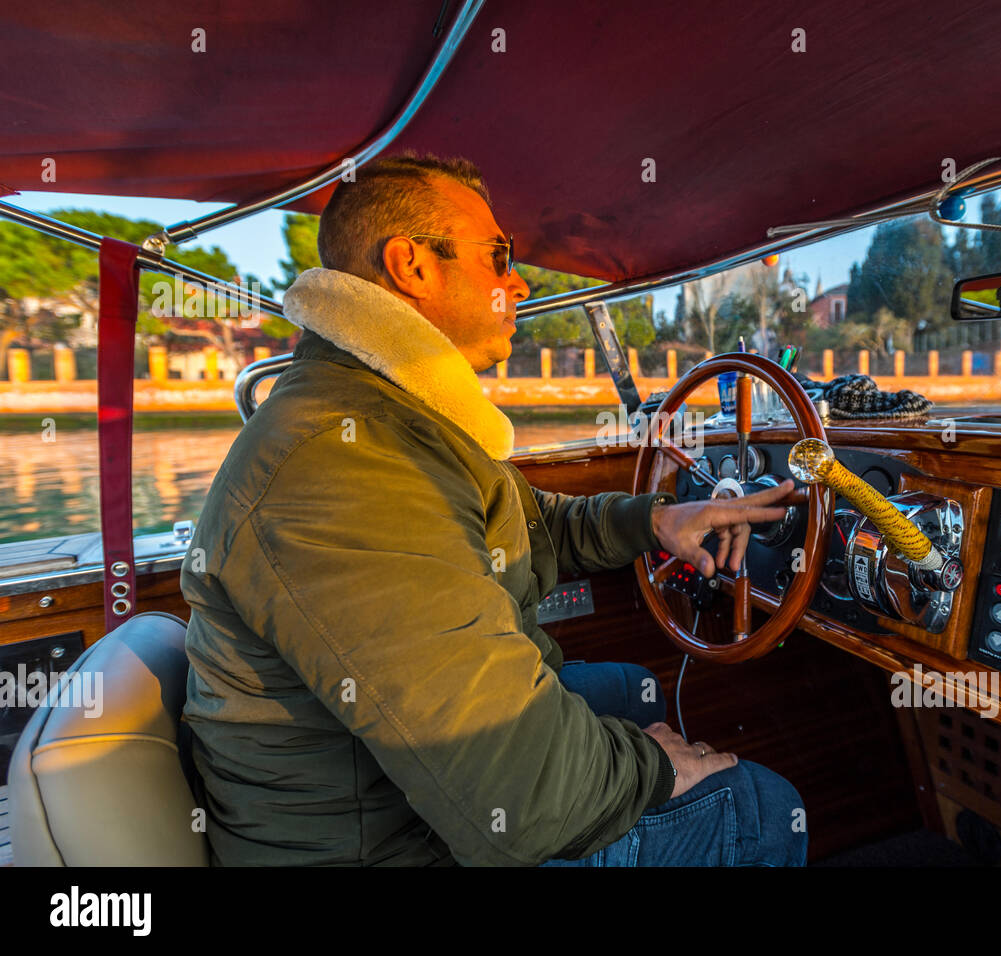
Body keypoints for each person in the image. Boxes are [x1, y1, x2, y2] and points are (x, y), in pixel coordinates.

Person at [180, 153, 808, 866]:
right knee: (761, 806)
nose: (519, 281)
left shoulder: (386, 414)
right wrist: (663, 768)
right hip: (389, 845)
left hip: (383, 789)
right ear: (411, 266)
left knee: (633, 690)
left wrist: (654, 521)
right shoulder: (346, 464)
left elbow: (527, 524)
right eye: (499, 256)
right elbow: (527, 800)